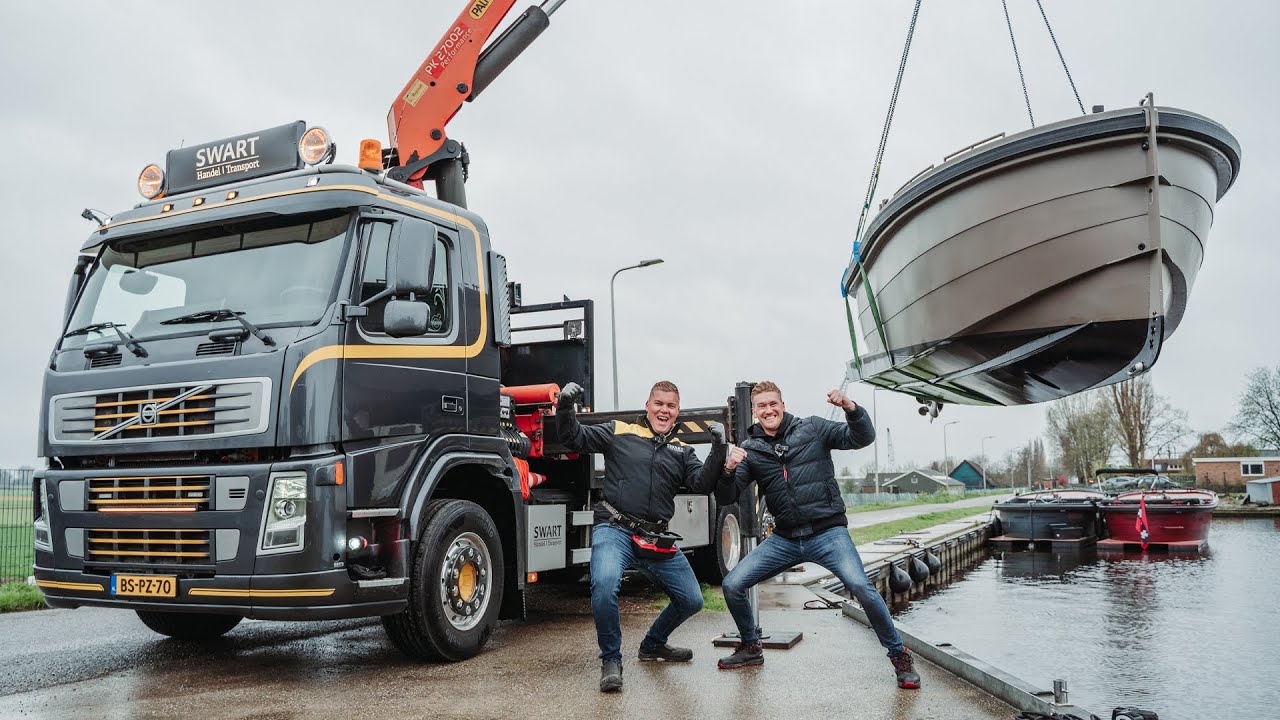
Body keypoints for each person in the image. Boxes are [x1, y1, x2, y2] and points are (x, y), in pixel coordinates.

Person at [715, 381, 921, 689]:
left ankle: (899, 656)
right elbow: (726, 494)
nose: (768, 410)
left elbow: (862, 437)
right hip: (784, 539)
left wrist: (851, 409)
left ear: (782, 405)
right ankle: (751, 646)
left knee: (860, 586)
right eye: (761, 406)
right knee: (732, 584)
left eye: (773, 404)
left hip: (828, 533)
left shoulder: (813, 428)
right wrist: (728, 468)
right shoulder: (752, 450)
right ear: (755, 412)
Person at [556, 379, 728, 693]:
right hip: (615, 529)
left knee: (692, 600)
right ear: (647, 406)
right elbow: (573, 437)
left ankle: (653, 645)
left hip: (655, 539)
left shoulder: (683, 451)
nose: (664, 410)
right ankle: (611, 660)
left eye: (671, 406)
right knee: (605, 584)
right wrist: (566, 407)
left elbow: (702, 485)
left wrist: (718, 450)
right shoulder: (618, 430)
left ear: (677, 412)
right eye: (659, 404)